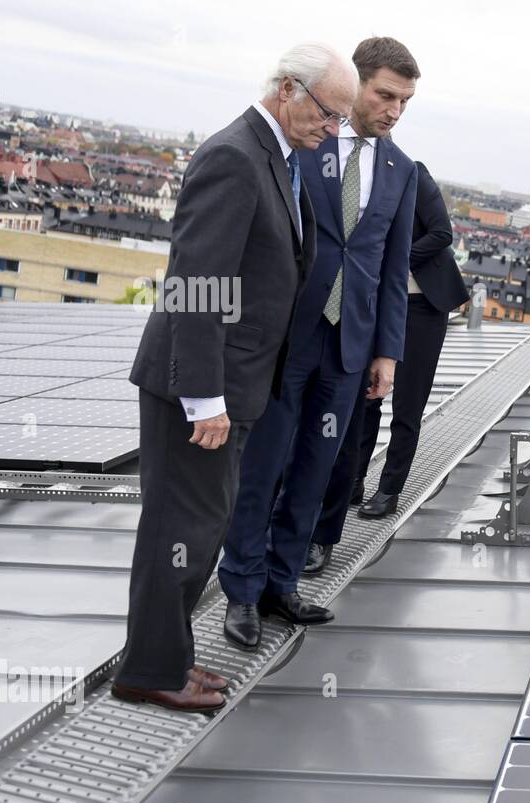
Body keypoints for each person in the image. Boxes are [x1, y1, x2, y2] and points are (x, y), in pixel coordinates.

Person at [112, 42, 356, 713]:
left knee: (200, 525)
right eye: (327, 114)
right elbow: (195, 286)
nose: (331, 130)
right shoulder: (236, 155)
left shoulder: (275, 156)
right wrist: (204, 398)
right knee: (180, 530)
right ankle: (150, 671)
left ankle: (167, 660)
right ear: (287, 89)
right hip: (196, 386)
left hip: (235, 383)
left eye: (339, 120)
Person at [218, 37, 419, 651]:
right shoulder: (302, 144)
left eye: (405, 102)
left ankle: (282, 582)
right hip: (286, 338)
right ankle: (243, 592)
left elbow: (392, 266)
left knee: (315, 470)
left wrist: (387, 353)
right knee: (263, 466)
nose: (393, 110)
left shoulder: (401, 170)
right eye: (385, 95)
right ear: (354, 86)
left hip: (349, 347)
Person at [304, 160, 468, 573]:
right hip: (381, 303)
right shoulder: (353, 182)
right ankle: (355, 481)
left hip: (426, 305)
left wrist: (394, 260)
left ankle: (389, 489)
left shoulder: (413, 173)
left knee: (408, 404)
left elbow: (442, 234)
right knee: (367, 397)